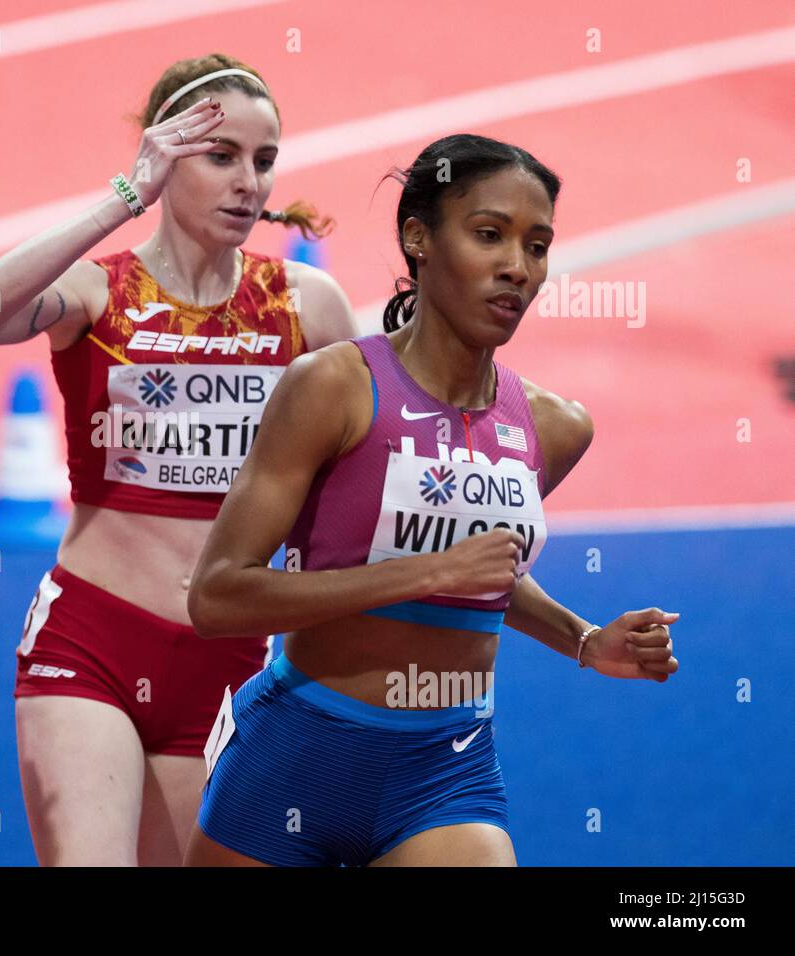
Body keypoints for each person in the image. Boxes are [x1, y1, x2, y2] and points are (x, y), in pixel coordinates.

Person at [185, 133, 680, 867]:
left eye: (537, 246)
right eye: (489, 236)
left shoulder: (553, 426)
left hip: (444, 770)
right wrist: (426, 572)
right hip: (295, 758)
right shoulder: (333, 389)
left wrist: (582, 638)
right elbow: (218, 597)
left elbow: (487, 573)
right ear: (418, 238)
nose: (517, 267)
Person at [0, 54, 362, 865]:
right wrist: (124, 196)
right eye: (221, 156)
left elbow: (363, 474)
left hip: (229, 655)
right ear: (165, 156)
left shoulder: (308, 307)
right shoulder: (99, 296)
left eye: (264, 159)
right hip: (90, 640)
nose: (249, 181)